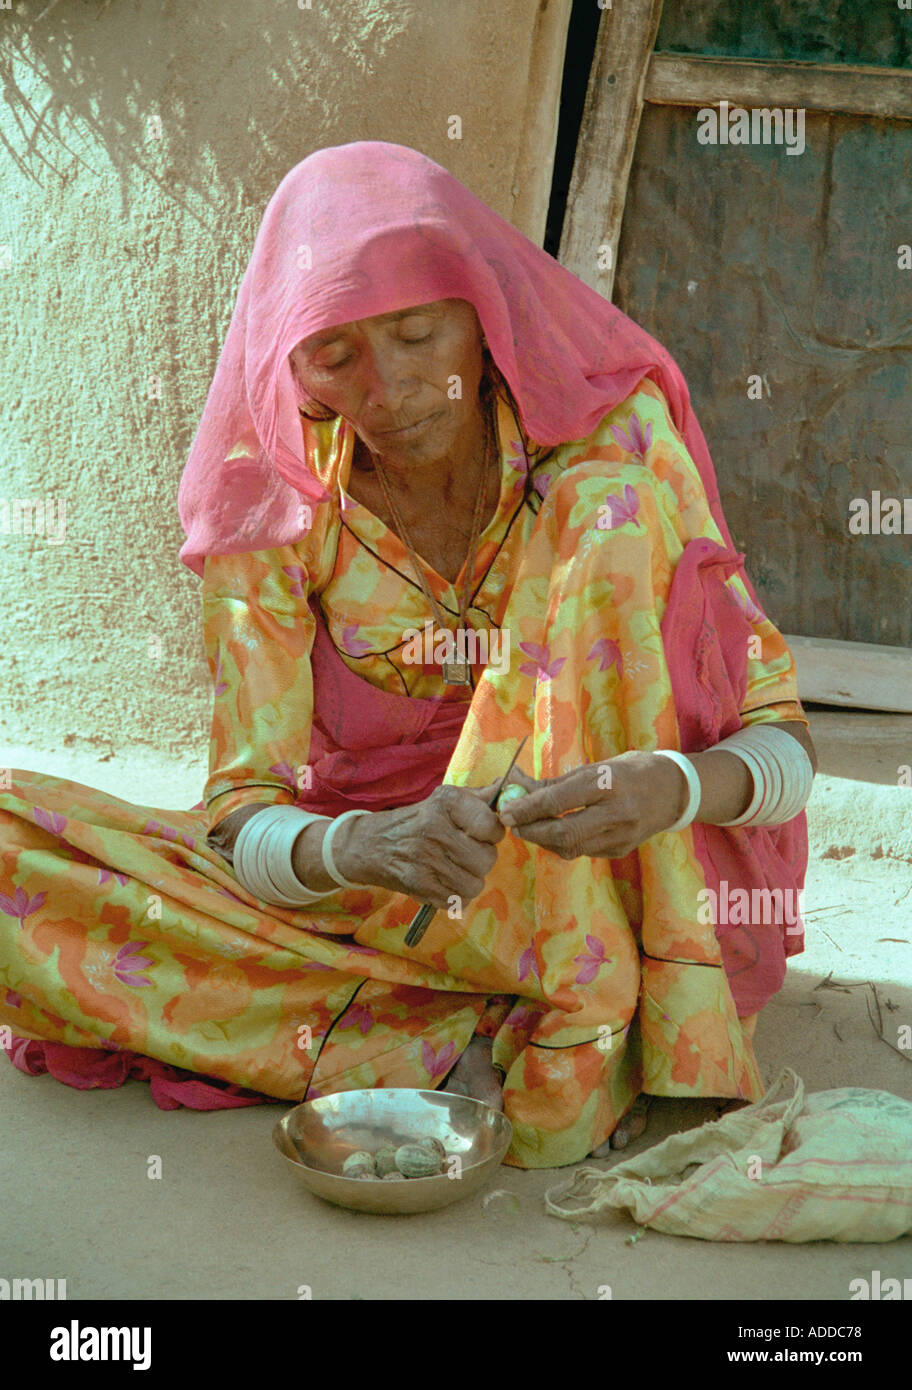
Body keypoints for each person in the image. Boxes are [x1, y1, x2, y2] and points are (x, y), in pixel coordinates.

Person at [0, 142, 816, 1169]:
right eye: (335, 356)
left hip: (605, 893)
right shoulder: (274, 496)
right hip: (391, 894)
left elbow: (783, 751)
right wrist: (362, 849)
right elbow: (242, 807)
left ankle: (587, 1010)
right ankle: (469, 1031)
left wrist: (677, 787)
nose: (388, 389)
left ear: (483, 313)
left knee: (607, 507)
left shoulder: (608, 440)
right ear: (290, 361)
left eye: (418, 333)